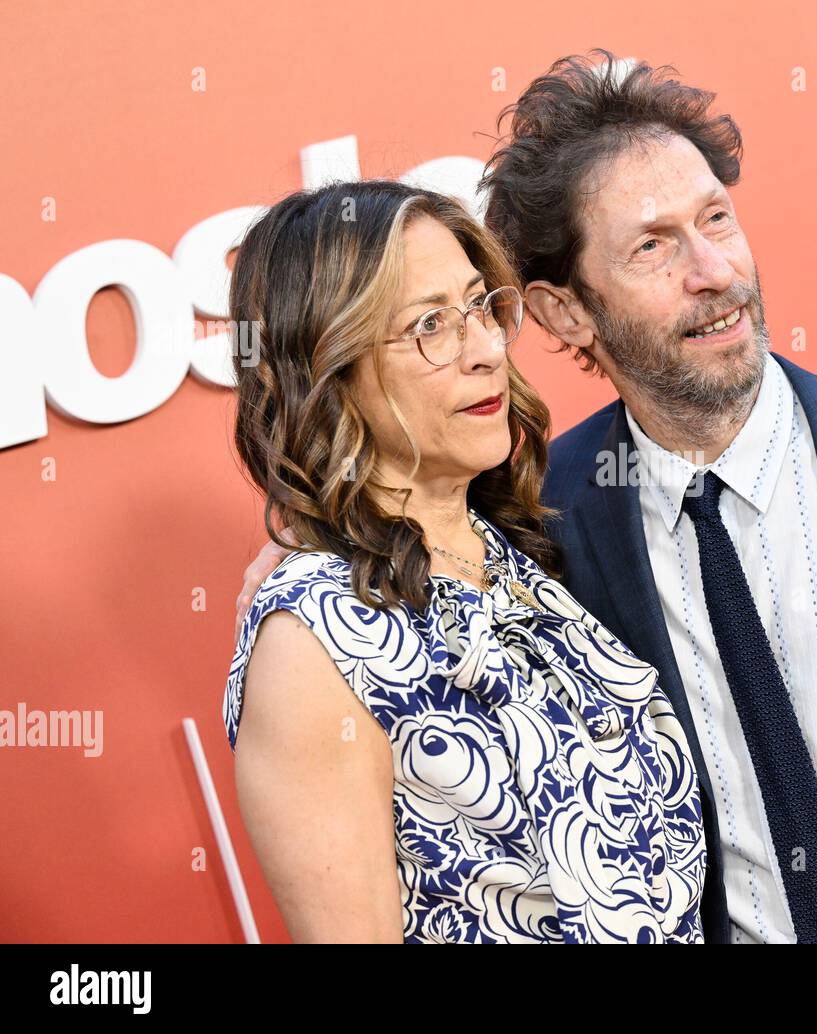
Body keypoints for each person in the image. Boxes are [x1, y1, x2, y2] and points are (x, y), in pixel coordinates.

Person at [237, 52, 817, 944]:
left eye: (716, 219)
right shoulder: (560, 517)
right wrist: (305, 584)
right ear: (566, 310)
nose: (715, 275)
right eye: (652, 247)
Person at [223, 179, 706, 943]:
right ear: (329, 365)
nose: (486, 350)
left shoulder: (520, 551)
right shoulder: (313, 645)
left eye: (481, 307)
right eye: (431, 326)